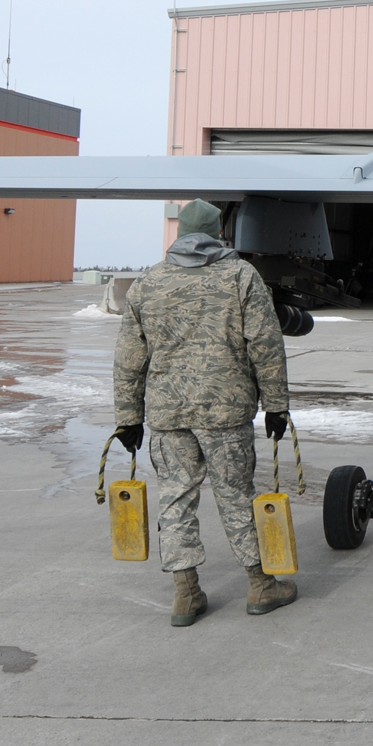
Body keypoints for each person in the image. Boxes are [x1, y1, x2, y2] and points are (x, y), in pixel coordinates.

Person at [112, 199, 294, 626]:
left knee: (175, 500)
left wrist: (128, 416)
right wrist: (276, 405)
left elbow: (128, 358)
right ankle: (261, 585)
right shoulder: (240, 276)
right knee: (236, 496)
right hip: (226, 411)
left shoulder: (149, 283)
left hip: (168, 414)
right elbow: (266, 345)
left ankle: (185, 593)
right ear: (218, 232)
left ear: (179, 233)